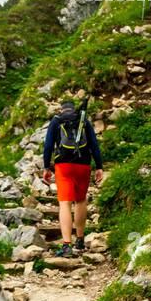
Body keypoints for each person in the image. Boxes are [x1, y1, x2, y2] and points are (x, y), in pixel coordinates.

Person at [42, 99, 103, 257]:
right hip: (83, 164)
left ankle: (67, 245)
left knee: (65, 203)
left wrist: (46, 168)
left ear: (61, 110)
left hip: (64, 166)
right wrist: (99, 166)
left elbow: (48, 145)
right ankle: (80, 240)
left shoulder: (56, 121)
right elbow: (94, 144)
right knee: (81, 200)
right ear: (73, 110)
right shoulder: (83, 120)